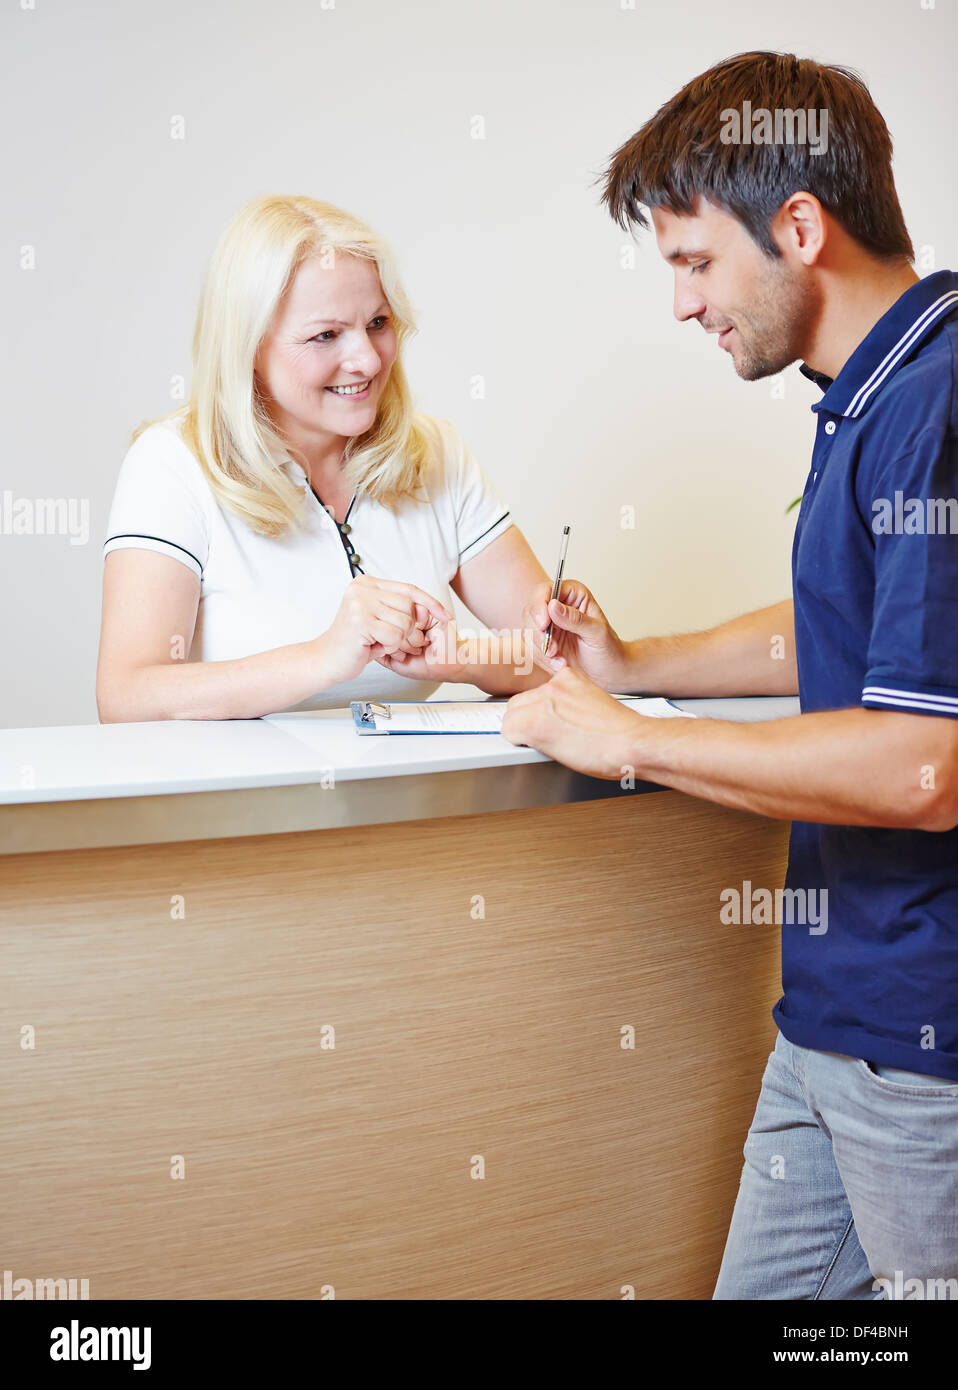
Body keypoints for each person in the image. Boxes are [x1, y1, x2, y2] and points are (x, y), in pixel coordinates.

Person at [502, 51, 958, 1298]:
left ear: (800, 227)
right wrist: (638, 664)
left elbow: (922, 767)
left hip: (921, 1046)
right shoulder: (871, 395)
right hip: (830, 1019)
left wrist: (630, 739)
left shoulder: (940, 402)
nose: (681, 304)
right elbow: (846, 628)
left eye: (694, 261)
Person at [97, 195, 551, 721]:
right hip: (241, 801)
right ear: (248, 348)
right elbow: (126, 697)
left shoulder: (435, 452)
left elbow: (561, 659)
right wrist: (325, 657)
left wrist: (460, 658)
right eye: (326, 335)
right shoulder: (173, 463)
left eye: (378, 322)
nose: (366, 359)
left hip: (414, 801)